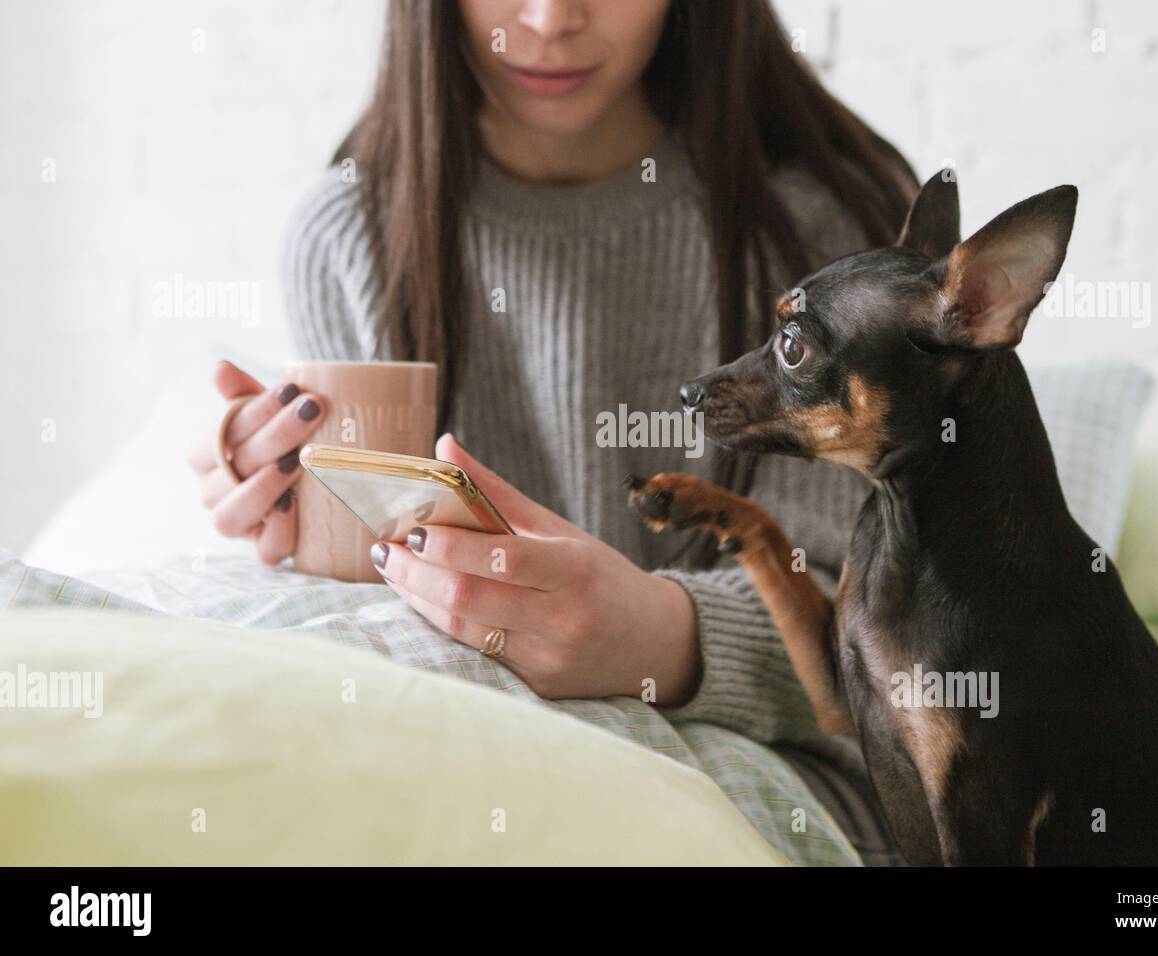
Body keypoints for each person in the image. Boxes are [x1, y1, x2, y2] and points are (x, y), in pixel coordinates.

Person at [189, 0, 917, 862]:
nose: (548, 19)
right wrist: (295, 511)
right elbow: (378, 608)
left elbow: (892, 639)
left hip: (781, 776)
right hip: (451, 754)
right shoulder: (349, 231)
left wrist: (658, 636)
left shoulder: (824, 230)